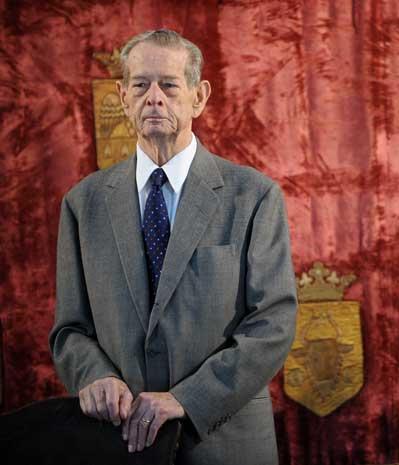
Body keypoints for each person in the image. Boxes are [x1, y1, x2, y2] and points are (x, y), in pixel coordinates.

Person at [48, 29, 297, 465]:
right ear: (123, 97)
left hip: (225, 443)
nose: (154, 98)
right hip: (120, 442)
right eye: (140, 85)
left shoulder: (254, 196)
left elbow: (273, 322)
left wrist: (187, 398)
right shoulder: (82, 204)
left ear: (199, 97)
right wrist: (95, 375)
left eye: (168, 85)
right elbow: (70, 329)